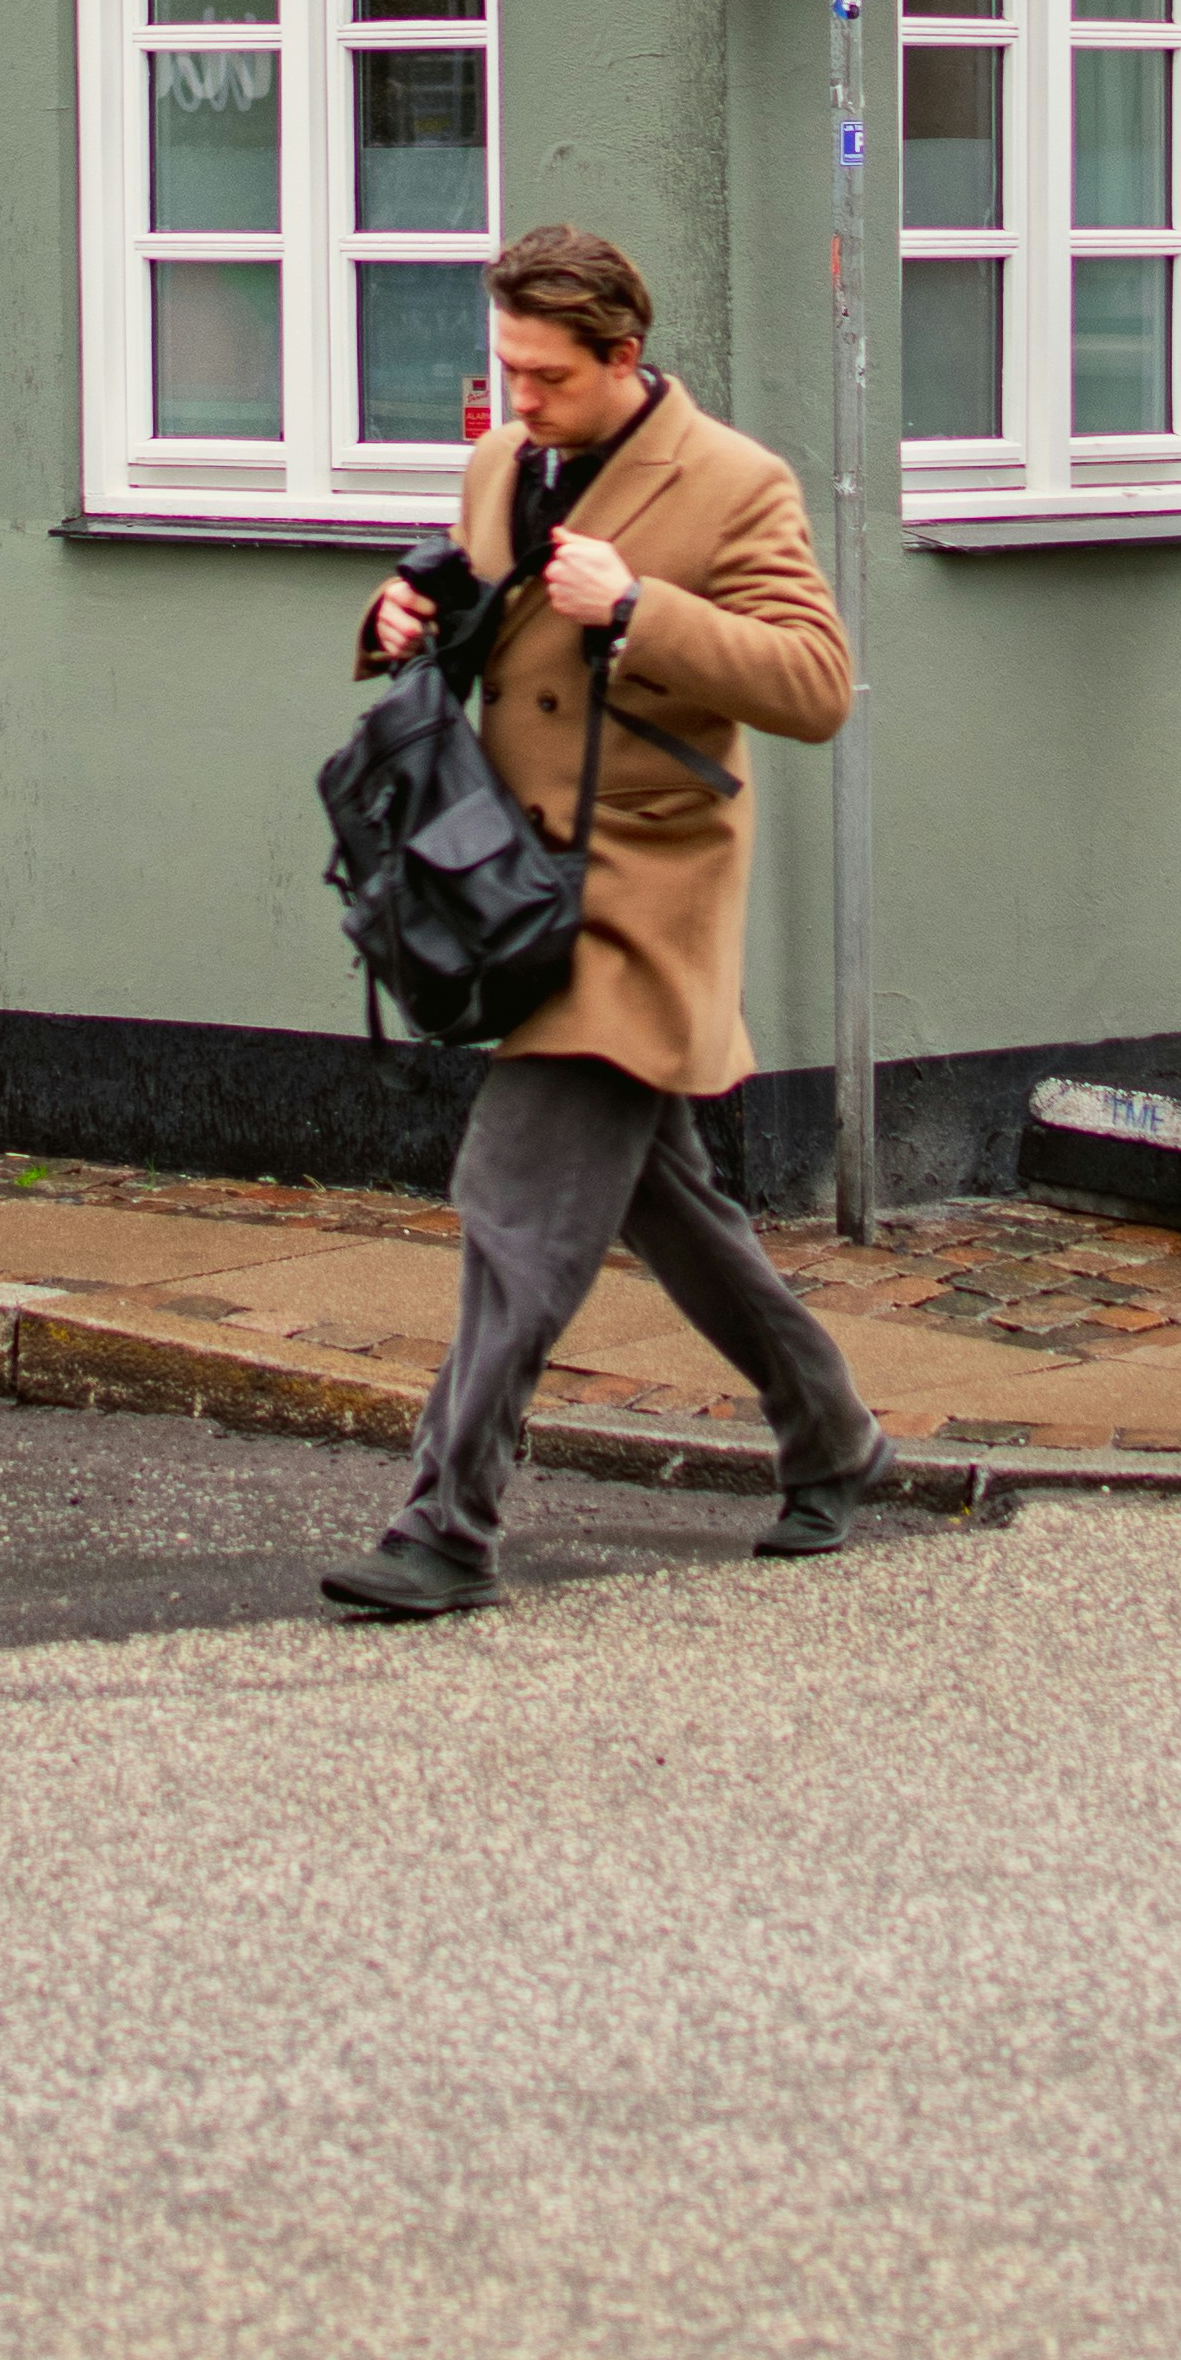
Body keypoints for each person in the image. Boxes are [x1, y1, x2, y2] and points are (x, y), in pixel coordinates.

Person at [320, 222, 896, 1619]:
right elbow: (490, 633)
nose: (518, 398)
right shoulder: (502, 467)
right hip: (509, 888)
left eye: (545, 375)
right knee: (676, 1212)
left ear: (622, 359)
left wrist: (644, 608)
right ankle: (836, 1441)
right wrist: (405, 616)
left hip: (640, 893)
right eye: (506, 367)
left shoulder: (733, 483)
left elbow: (816, 683)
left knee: (514, 1207)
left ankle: (448, 1528)